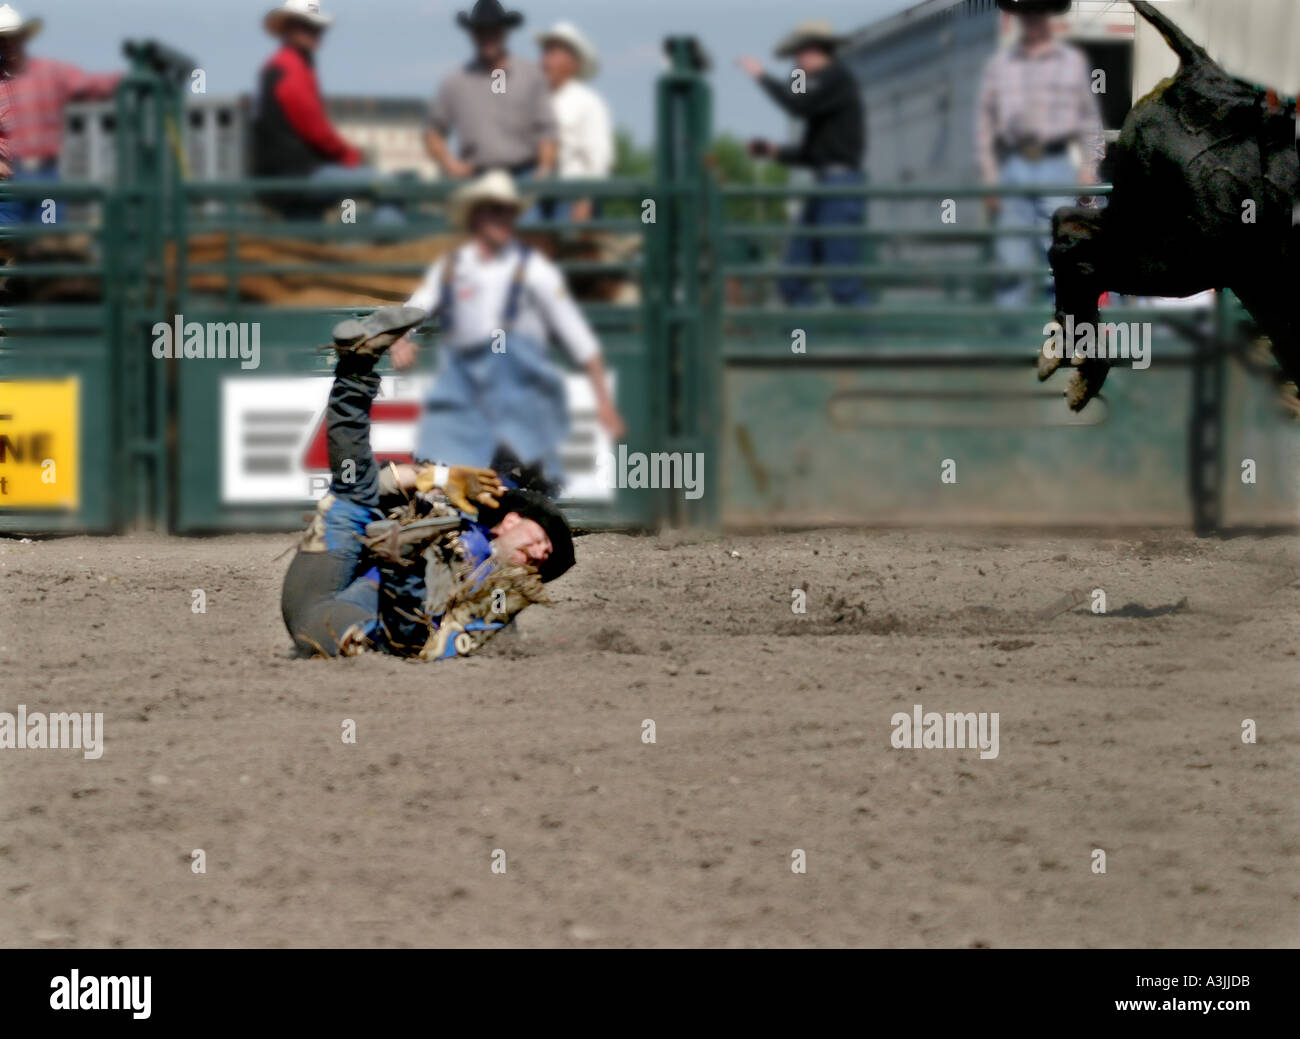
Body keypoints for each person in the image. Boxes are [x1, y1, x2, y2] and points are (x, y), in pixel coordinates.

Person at [281, 305, 576, 660]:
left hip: (363, 623)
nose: (543, 554)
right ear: (510, 522)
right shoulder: (473, 494)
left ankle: (378, 595)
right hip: (325, 580)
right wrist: (437, 479)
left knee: (408, 627)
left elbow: (437, 641)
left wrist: (404, 566)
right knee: (355, 487)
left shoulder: (502, 586)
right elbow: (382, 483)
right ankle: (356, 365)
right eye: (543, 541)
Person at [393, 171, 625, 492]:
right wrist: (400, 338)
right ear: (476, 216)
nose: (502, 218)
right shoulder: (454, 267)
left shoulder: (535, 270)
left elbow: (578, 337)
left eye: (506, 211)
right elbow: (414, 310)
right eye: (494, 210)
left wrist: (603, 402)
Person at [976, 0, 1105, 308]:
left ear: (1048, 17)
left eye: (1038, 12)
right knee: (1010, 259)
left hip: (1056, 164)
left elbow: (1088, 120)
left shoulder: (1070, 62)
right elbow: (985, 123)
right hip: (1014, 164)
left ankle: (1054, 337)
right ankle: (1011, 340)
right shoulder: (1001, 65)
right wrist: (989, 174)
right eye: (1027, 13)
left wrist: (1088, 166)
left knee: (1056, 256)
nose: (1033, 20)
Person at [739, 19, 869, 307]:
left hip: (840, 187)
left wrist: (761, 76)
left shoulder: (837, 79)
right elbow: (812, 152)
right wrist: (772, 151)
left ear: (812, 50)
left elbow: (797, 105)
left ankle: (872, 347)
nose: (795, 62)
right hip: (826, 185)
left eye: (797, 54)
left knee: (843, 282)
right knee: (792, 278)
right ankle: (801, 349)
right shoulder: (823, 87)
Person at [252, 0, 400, 223]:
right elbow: (315, 129)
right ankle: (389, 250)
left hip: (283, 178)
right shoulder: (291, 68)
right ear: (289, 29)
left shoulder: (279, 67)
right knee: (386, 185)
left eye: (317, 28)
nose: (316, 34)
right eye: (308, 27)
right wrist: (349, 156)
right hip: (300, 175)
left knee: (304, 241)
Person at [0, 4, 119, 224]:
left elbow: (95, 85)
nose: (7, 46)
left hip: (47, 177)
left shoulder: (51, 73)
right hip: (9, 189)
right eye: (1, 40)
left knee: (52, 244)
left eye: (12, 38)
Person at [425, 0, 557, 183]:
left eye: (494, 30)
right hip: (476, 177)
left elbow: (547, 130)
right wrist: (450, 164)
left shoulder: (530, 75)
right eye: (482, 31)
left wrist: (544, 169)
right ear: (472, 34)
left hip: (524, 176)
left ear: (504, 32)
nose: (488, 37)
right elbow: (433, 131)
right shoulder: (455, 82)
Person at [536, 21, 612, 223]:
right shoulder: (537, 99)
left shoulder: (588, 102)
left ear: (574, 63)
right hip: (538, 196)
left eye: (554, 53)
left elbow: (598, 158)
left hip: (572, 196)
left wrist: (585, 200)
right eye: (546, 53)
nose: (546, 60)